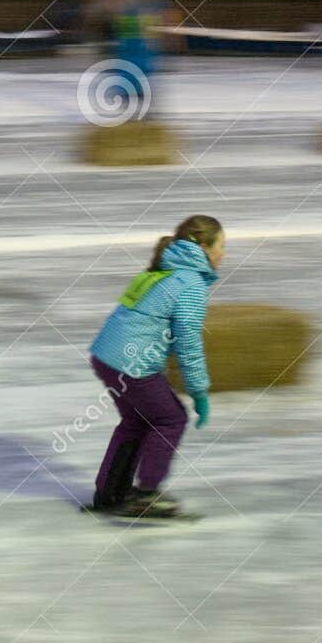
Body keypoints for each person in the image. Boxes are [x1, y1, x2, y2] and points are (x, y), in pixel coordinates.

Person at [87, 215, 224, 518]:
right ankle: (146, 494)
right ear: (203, 247)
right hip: (132, 364)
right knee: (170, 418)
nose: (223, 254)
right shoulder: (191, 283)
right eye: (220, 246)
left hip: (106, 356)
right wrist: (199, 392)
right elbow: (187, 341)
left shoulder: (162, 271)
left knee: (136, 422)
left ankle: (110, 494)